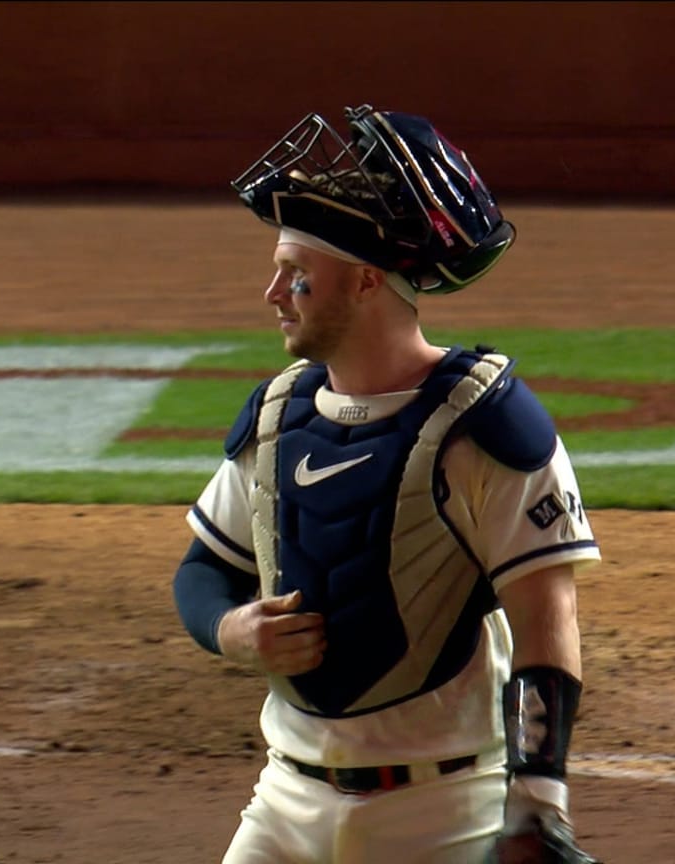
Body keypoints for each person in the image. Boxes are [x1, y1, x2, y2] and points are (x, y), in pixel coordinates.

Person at [170, 105, 604, 863]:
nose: (274, 293)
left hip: (443, 814)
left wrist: (538, 801)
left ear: (367, 282)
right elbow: (205, 570)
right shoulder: (281, 414)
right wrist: (231, 630)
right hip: (284, 801)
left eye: (297, 276)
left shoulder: (483, 424)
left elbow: (546, 618)